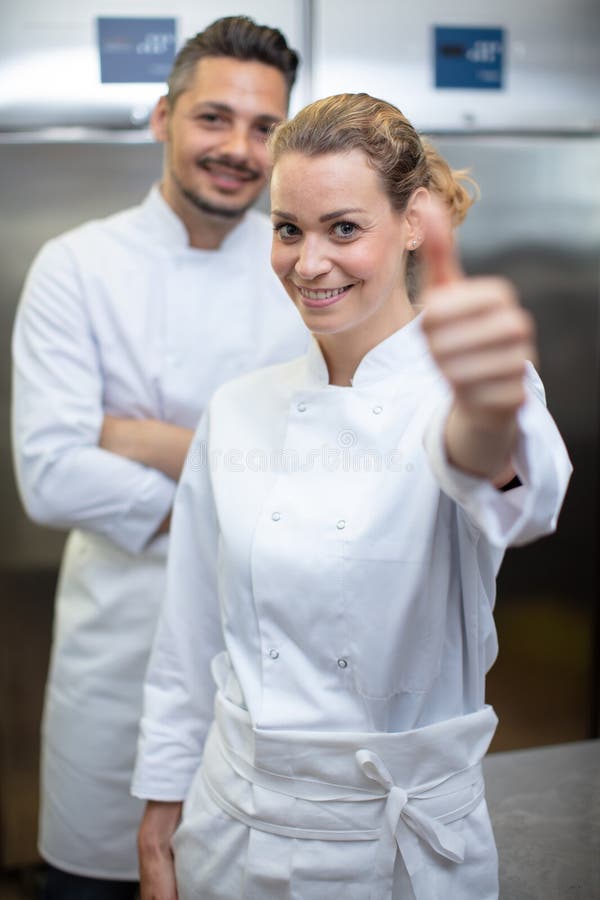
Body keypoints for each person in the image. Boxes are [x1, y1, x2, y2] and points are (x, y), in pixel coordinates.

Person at [131, 93, 572, 900]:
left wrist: (489, 408)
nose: (308, 263)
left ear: (413, 222)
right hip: (230, 825)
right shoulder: (240, 405)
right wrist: (161, 816)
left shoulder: (461, 394)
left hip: (392, 849)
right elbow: (190, 633)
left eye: (344, 228)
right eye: (289, 228)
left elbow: (517, 495)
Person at [11, 15, 306, 900]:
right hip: (121, 662)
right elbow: (51, 473)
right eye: (214, 118)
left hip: (274, 667)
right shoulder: (76, 267)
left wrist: (134, 434)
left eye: (265, 128)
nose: (240, 149)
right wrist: (249, 479)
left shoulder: (306, 268)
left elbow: (334, 472)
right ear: (161, 117)